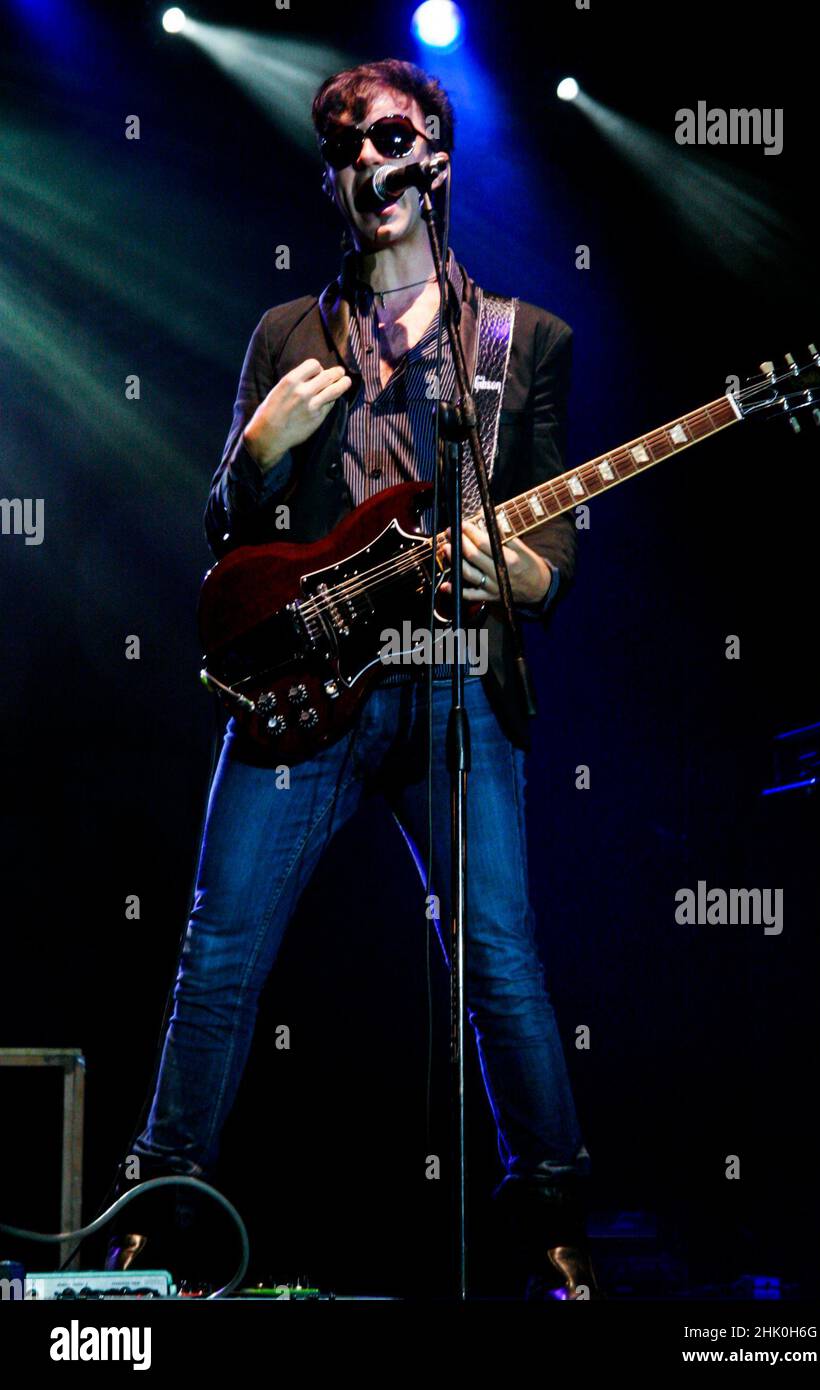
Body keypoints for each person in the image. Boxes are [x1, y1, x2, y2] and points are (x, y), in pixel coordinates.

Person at [106, 58, 598, 1300]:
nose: (362, 162)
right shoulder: (284, 332)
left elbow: (556, 547)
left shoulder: (522, 339)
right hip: (308, 691)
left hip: (457, 684)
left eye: (386, 136)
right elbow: (234, 537)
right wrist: (255, 453)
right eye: (339, 147)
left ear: (434, 156)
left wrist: (527, 581)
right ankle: (158, 1220)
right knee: (219, 950)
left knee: (499, 955)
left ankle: (549, 1222)